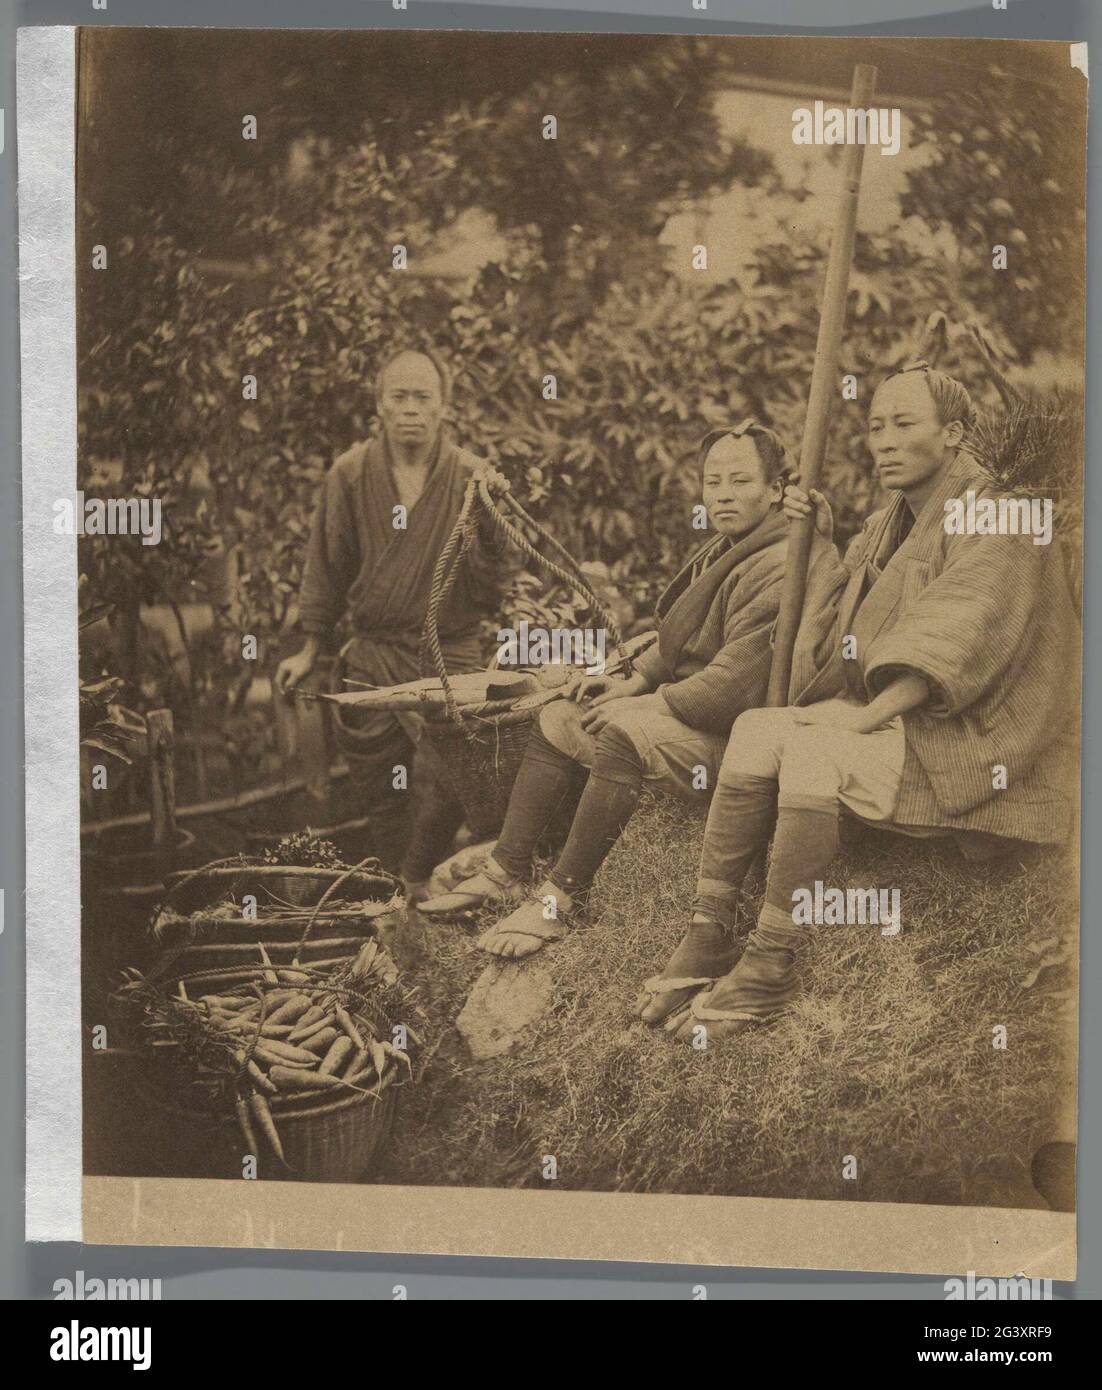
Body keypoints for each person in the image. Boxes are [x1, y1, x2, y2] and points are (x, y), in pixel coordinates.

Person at [638, 363, 1079, 1040]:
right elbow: (842, 636)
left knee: (817, 749)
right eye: (875, 426)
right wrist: (818, 539)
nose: (884, 441)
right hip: (915, 721)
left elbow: (956, 634)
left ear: (955, 433)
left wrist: (862, 717)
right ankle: (709, 930)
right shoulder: (885, 522)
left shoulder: (1000, 511)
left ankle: (770, 959)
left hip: (979, 739)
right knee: (759, 727)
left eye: (904, 425)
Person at [420, 420, 808, 960]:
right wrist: (634, 677)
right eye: (713, 481)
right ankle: (507, 868)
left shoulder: (782, 563)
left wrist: (641, 701)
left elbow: (730, 690)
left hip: (739, 739)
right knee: (561, 715)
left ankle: (560, 899)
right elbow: (677, 640)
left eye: (741, 482)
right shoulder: (728, 548)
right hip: (691, 710)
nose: (723, 494)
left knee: (621, 730)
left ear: (775, 490)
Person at [275, 347, 511, 896]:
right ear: (379, 405)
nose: (410, 409)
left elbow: (494, 581)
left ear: (443, 408)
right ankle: (395, 890)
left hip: (449, 649)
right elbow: (326, 564)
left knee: (451, 772)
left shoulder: (471, 477)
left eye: (423, 397)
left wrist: (494, 520)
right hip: (375, 652)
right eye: (398, 396)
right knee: (381, 784)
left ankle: (423, 875)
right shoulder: (351, 474)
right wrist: (312, 648)